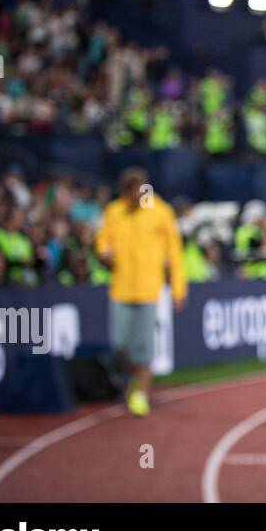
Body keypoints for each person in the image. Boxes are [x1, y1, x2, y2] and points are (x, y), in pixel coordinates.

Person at [94, 167, 187, 416]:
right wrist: (104, 253)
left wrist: (178, 288)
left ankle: (142, 395)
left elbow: (175, 254)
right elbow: (102, 241)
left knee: (144, 347)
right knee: (120, 344)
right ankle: (136, 382)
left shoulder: (160, 212)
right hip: (121, 289)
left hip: (148, 290)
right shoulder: (115, 212)